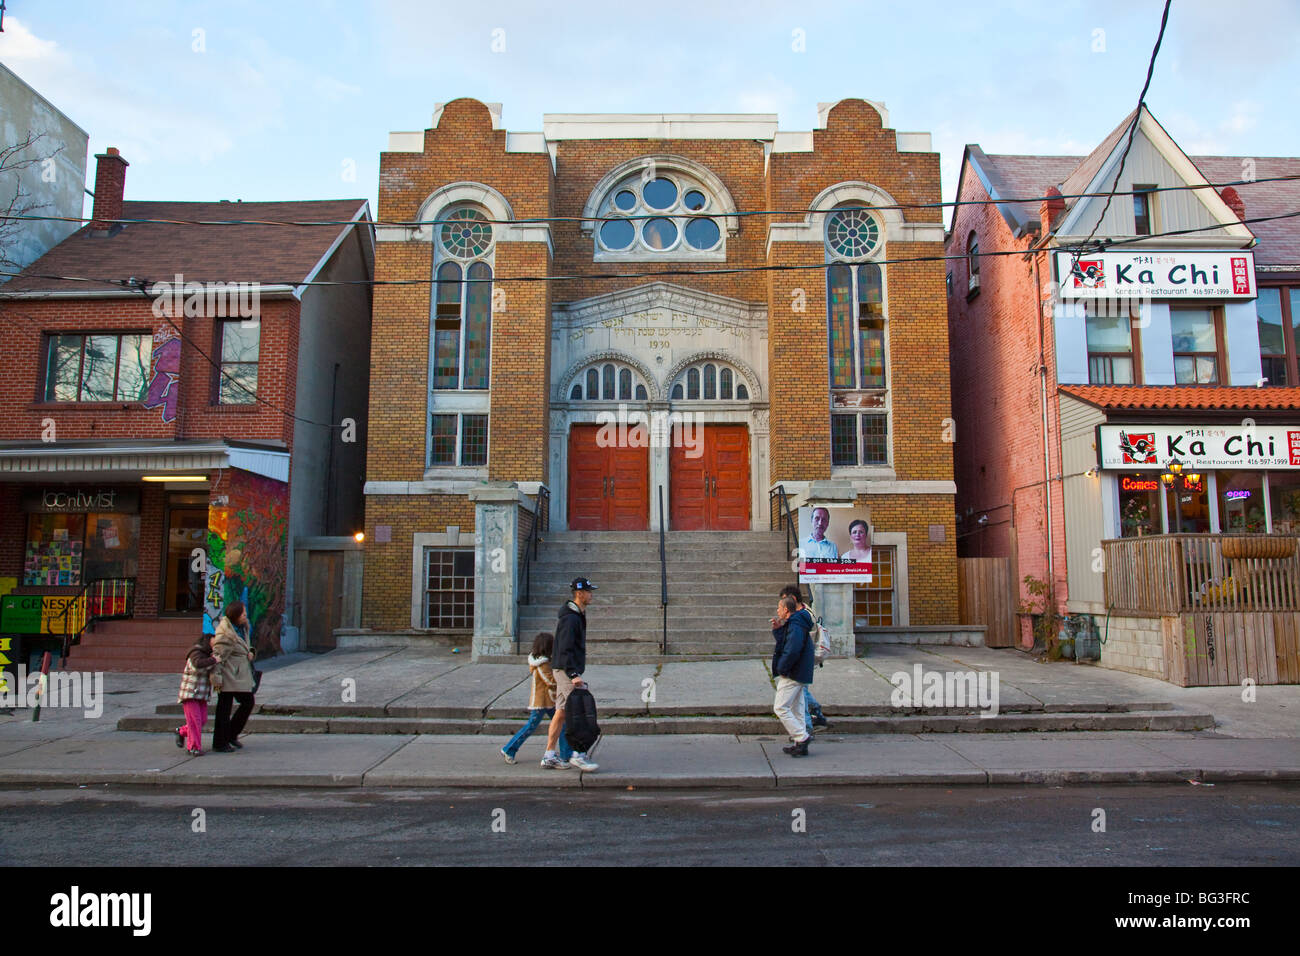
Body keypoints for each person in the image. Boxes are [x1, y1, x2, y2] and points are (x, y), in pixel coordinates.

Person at [542, 577, 599, 772]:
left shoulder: (577, 615)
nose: (592, 595)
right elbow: (564, 648)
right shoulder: (570, 618)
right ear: (579, 593)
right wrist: (573, 673)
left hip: (563, 668)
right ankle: (578, 754)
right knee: (577, 712)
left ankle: (549, 754)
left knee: (561, 712)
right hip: (566, 669)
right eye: (589, 592)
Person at [500, 632, 573, 765]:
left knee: (562, 724)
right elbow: (550, 681)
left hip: (549, 701)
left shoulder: (544, 662)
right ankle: (509, 749)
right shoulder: (542, 664)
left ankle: (566, 753)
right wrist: (563, 680)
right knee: (531, 727)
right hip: (541, 702)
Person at [777, 585, 830, 733]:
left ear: (793, 600)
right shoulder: (799, 615)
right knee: (801, 693)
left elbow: (798, 644)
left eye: (784, 602)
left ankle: (806, 727)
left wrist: (784, 666)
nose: (781, 607)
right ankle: (813, 716)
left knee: (799, 696)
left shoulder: (803, 617)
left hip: (803, 660)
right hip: (802, 660)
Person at [771, 595, 815, 757]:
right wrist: (778, 630)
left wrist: (783, 668)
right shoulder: (795, 623)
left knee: (780, 707)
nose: (777, 610)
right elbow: (788, 642)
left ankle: (802, 738)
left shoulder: (796, 624)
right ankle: (799, 743)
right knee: (797, 707)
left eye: (779, 608)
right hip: (800, 670)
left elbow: (793, 649)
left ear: (786, 610)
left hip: (793, 672)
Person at [211, 601, 256, 753]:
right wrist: (216, 681)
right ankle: (221, 742)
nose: (245, 616)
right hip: (228, 676)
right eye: (243, 613)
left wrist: (250, 652)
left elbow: (245, 646)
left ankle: (229, 735)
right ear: (236, 615)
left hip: (238, 676)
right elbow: (218, 657)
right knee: (225, 708)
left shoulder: (242, 628)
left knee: (246, 702)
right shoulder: (226, 634)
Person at [174, 633, 217, 755]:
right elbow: (197, 666)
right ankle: (193, 747)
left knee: (202, 719)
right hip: (190, 693)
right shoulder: (196, 653)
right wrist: (214, 660)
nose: (215, 644)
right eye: (214, 641)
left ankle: (181, 731)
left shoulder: (208, 655)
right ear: (207, 641)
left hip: (201, 694)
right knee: (195, 721)